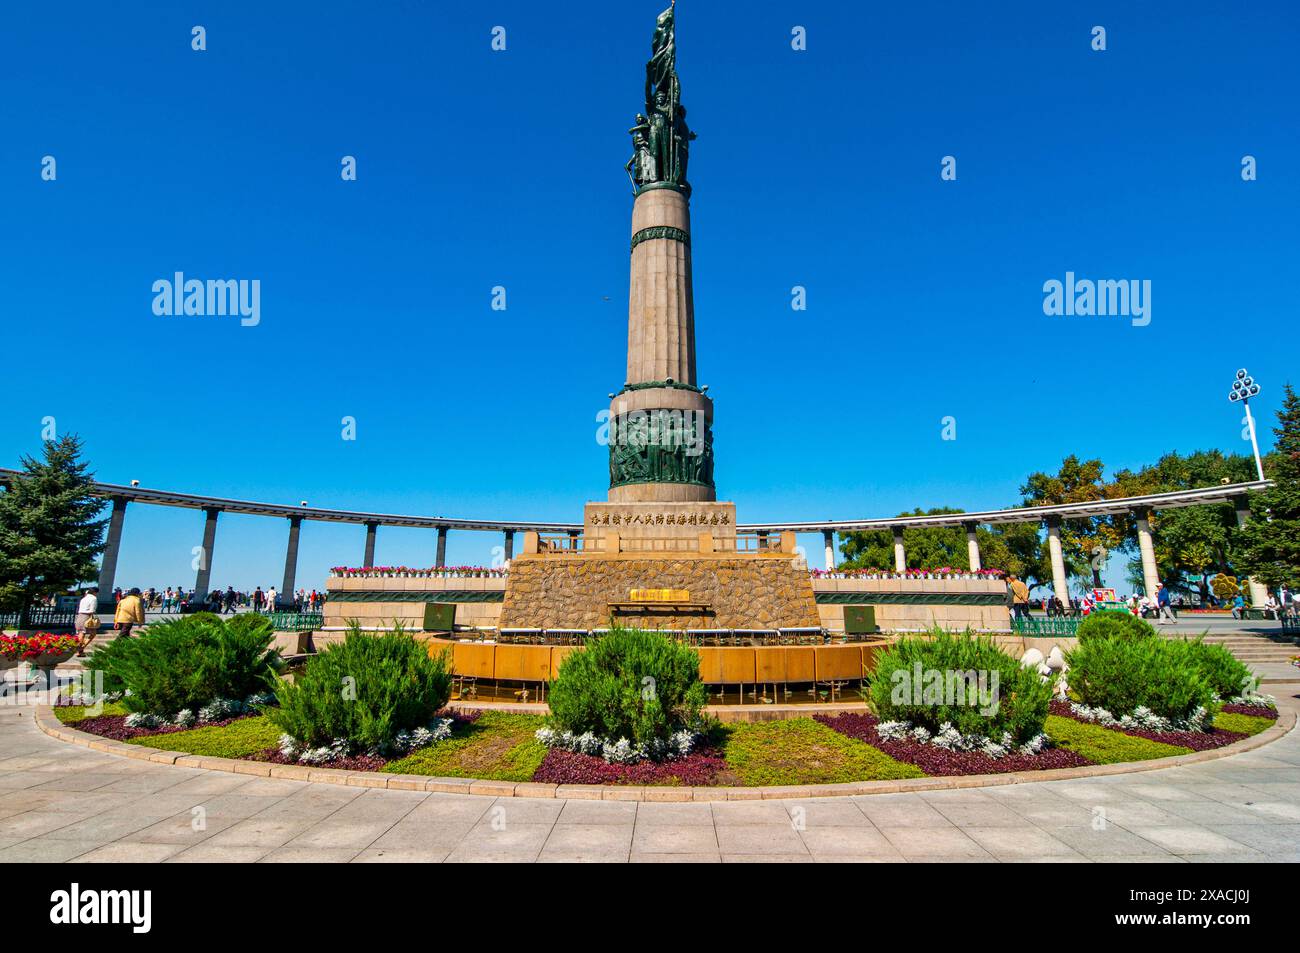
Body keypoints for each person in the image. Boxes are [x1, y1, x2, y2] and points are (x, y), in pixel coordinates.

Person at [75, 587, 101, 656]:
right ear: (95, 592)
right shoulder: (93, 598)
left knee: (81, 633)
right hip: (87, 616)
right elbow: (92, 610)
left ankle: (80, 650)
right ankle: (81, 649)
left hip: (80, 616)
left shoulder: (83, 598)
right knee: (93, 633)